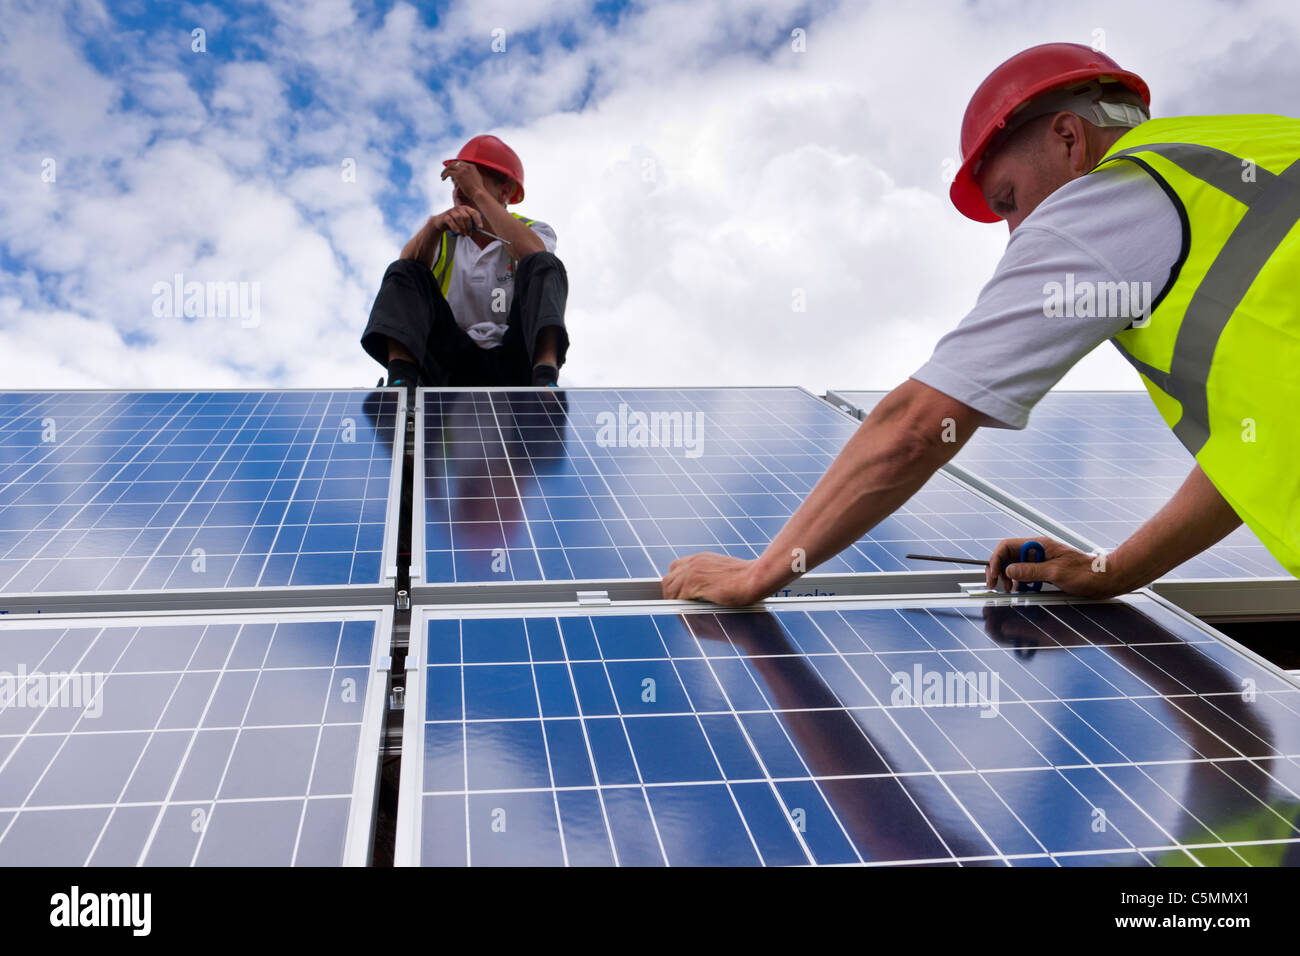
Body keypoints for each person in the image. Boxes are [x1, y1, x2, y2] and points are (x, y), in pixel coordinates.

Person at [662, 41, 1299, 604]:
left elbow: (920, 423)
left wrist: (763, 571)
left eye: (1009, 201)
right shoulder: (1253, 144)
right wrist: (1113, 571)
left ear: (1069, 140)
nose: (1017, 233)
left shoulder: (1110, 196)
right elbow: (1251, 449)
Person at [361, 134, 570, 396]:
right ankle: (401, 385)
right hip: (452, 362)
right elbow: (406, 272)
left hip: (515, 360)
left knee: (545, 263)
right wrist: (434, 225)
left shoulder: (534, 230)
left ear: (504, 191)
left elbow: (535, 255)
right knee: (404, 269)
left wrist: (479, 194)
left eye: (470, 183)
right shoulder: (443, 235)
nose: (460, 192)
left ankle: (545, 379)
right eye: (457, 184)